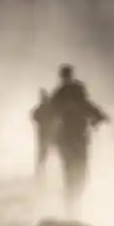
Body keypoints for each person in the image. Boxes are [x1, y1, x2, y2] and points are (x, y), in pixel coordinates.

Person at [47, 64, 108, 215]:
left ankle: (71, 207)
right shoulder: (74, 94)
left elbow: (48, 116)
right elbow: (94, 112)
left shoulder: (59, 95)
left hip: (68, 141)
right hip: (76, 141)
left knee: (71, 175)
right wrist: (98, 119)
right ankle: (73, 207)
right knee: (79, 174)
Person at [31, 88, 55, 183]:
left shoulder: (43, 109)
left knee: (43, 157)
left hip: (46, 136)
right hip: (48, 136)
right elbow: (34, 116)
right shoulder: (49, 109)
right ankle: (41, 175)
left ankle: (41, 175)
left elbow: (34, 117)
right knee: (44, 157)